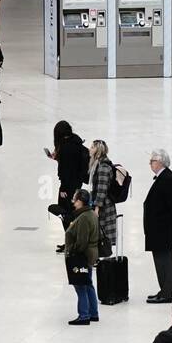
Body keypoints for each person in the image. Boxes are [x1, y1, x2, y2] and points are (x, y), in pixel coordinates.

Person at [143, 148, 172, 304]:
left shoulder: (166, 178)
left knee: (163, 261)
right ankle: (164, 290)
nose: (150, 164)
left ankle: (166, 293)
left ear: (160, 162)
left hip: (162, 229)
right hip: (159, 229)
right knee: (161, 261)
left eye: (152, 161)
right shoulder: (164, 177)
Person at [50, 121, 90, 251]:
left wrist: (63, 189)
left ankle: (71, 242)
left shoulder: (66, 148)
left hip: (68, 185)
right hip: (77, 182)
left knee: (64, 212)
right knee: (73, 212)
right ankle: (72, 241)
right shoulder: (76, 141)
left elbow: (66, 170)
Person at [64, 188, 101, 326]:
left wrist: (71, 251)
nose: (73, 201)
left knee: (80, 285)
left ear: (80, 201)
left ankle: (84, 315)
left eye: (75, 198)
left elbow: (81, 241)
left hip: (82, 256)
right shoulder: (89, 214)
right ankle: (93, 313)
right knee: (88, 283)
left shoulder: (84, 217)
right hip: (89, 254)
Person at [88, 139, 119, 254]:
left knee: (102, 233)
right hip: (101, 205)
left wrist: (96, 208)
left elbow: (102, 189)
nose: (90, 149)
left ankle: (103, 257)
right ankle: (99, 256)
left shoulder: (103, 167)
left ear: (98, 150)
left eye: (92, 147)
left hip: (104, 207)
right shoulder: (97, 164)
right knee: (99, 233)